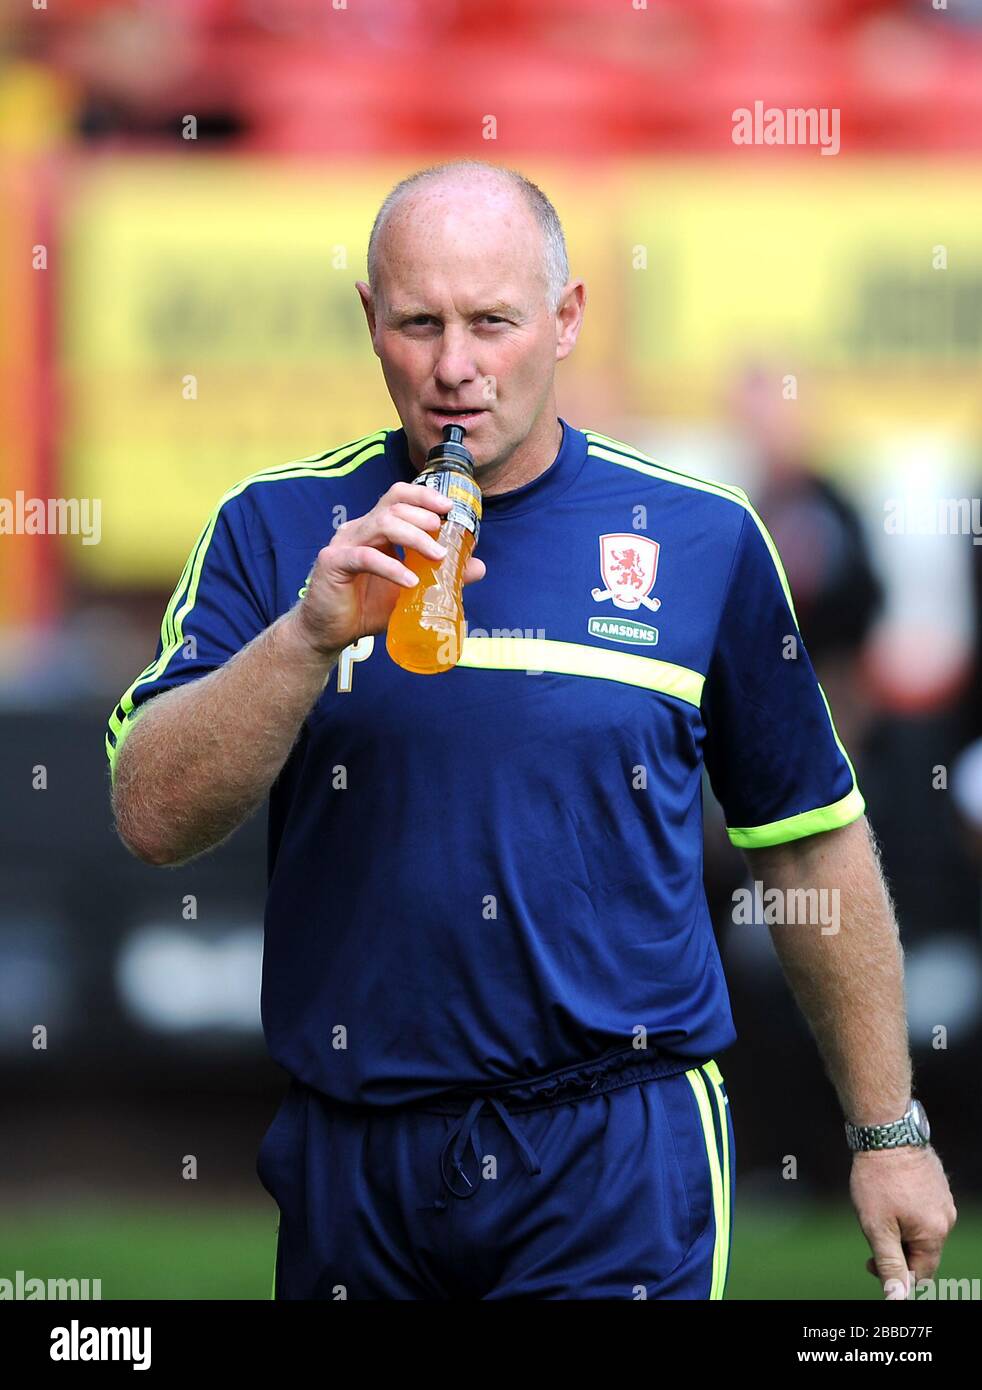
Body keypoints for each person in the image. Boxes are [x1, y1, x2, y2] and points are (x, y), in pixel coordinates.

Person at [105, 159, 955, 1301]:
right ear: (369, 323)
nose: (454, 366)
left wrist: (885, 1133)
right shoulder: (274, 530)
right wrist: (307, 637)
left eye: (491, 322)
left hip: (616, 1147)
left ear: (565, 319)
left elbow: (808, 838)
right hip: (354, 1150)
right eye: (417, 323)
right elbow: (151, 814)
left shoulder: (700, 539)